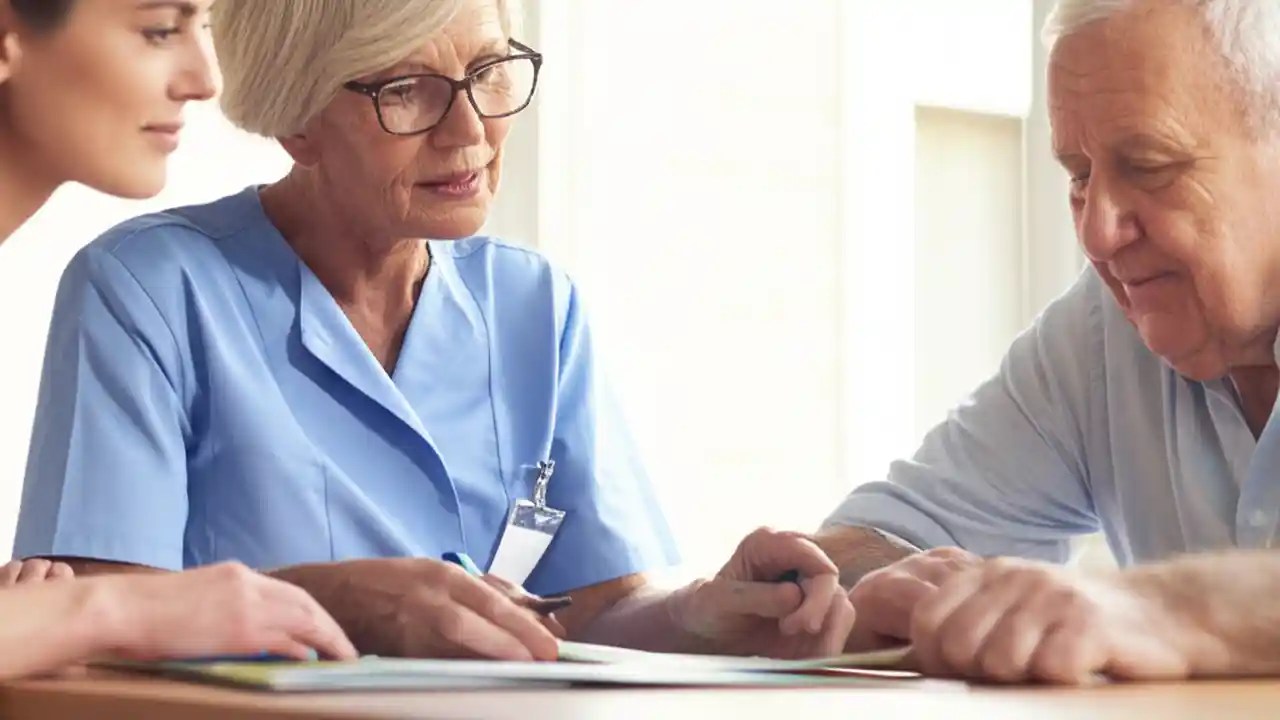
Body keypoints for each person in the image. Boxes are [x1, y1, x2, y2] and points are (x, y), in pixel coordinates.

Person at [13, 0, 855, 661]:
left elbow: (591, 613)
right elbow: (95, 620)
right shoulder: (149, 289)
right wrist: (342, 600)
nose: (470, 134)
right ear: (296, 120)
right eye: (404, 89)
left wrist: (707, 610)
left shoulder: (536, 305)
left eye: (490, 73)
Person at [809, 0, 1280, 683]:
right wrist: (919, 592)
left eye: (1148, 165)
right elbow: (875, 538)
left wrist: (1159, 610)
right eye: (1078, 177)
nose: (1095, 235)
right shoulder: (1102, 332)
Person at [0, 0, 356, 680]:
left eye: (204, 29)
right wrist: (114, 611)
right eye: (160, 29)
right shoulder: (139, 281)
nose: (205, 80)